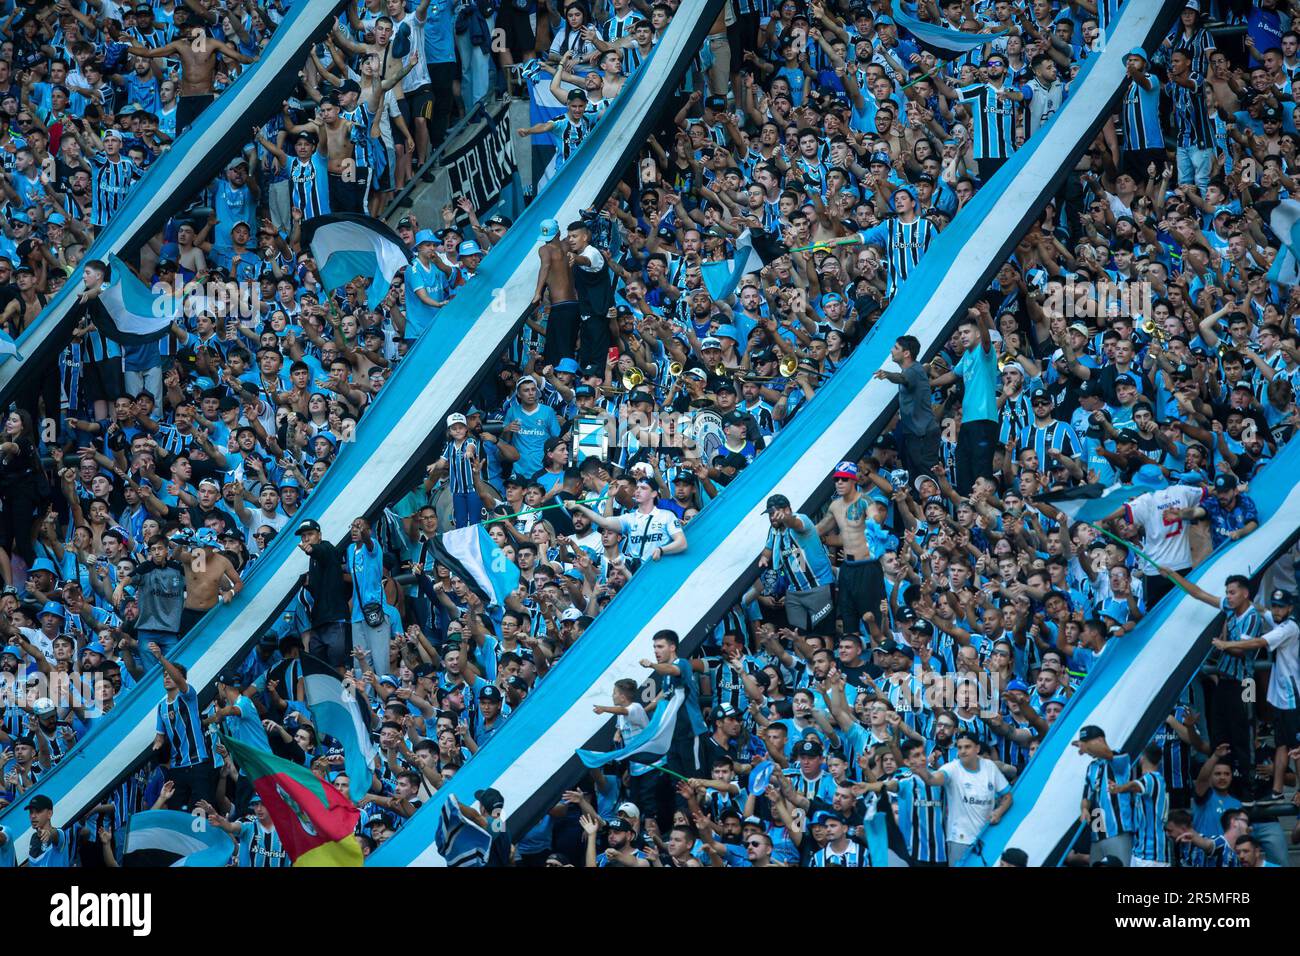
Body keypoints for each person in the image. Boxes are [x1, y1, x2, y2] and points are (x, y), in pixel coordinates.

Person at [1160, 568, 1261, 797]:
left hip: (1245, 683)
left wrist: (1223, 644)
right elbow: (1199, 594)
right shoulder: (1230, 608)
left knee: (1244, 732)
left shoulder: (1252, 617)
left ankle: (1248, 785)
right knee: (1220, 733)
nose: (1229, 596)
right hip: (1226, 680)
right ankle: (1226, 781)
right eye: (1227, 592)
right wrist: (1172, 576)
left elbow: (1241, 651)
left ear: (1245, 594)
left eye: (1233, 592)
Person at [910, 731, 1012, 864]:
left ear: (977, 748)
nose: (963, 751)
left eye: (967, 747)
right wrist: (922, 772)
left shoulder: (990, 767)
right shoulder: (952, 768)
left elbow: (1007, 796)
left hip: (988, 836)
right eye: (959, 747)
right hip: (959, 840)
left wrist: (999, 812)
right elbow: (933, 779)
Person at [930, 305, 998, 494]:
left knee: (981, 471)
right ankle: (967, 510)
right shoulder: (967, 356)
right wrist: (930, 384)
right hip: (968, 421)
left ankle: (983, 511)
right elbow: (952, 375)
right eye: (960, 334)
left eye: (967, 332)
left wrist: (981, 318)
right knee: (963, 468)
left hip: (984, 419)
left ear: (977, 334)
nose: (963, 337)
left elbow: (986, 340)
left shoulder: (985, 352)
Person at [149, 641, 214, 811]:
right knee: (178, 812)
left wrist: (161, 658)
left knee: (199, 812)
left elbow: (178, 679)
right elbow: (159, 738)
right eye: (164, 675)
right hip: (177, 767)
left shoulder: (188, 696)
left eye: (170, 674)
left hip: (197, 763)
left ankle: (199, 837)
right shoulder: (161, 706)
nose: (167, 677)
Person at [759, 493, 834, 636]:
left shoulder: (801, 519)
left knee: (823, 634)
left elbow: (795, 524)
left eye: (775, 513)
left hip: (818, 586)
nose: (772, 517)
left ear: (787, 509)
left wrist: (786, 518)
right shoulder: (774, 530)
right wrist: (764, 557)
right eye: (769, 514)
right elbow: (768, 548)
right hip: (794, 593)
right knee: (798, 636)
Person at [874, 335, 940, 476]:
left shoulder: (913, 371)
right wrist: (927, 368)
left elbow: (902, 378)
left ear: (906, 353)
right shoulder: (917, 369)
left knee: (927, 477)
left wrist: (887, 374)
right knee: (917, 477)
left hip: (922, 435)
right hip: (916, 434)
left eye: (896, 347)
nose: (892, 350)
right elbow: (923, 368)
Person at [1074, 724, 1135, 865]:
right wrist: (1084, 809)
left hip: (1118, 831)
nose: (1085, 749)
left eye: (1088, 742)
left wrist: (1085, 745)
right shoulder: (1091, 767)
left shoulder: (1120, 756)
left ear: (1100, 740)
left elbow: (1107, 754)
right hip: (1097, 832)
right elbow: (1086, 796)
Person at [294, 519, 350, 669]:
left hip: (335, 620)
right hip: (319, 623)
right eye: (303, 536)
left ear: (319, 535)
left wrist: (312, 550)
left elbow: (323, 552)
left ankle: (347, 693)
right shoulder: (312, 561)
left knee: (340, 667)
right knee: (320, 669)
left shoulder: (327, 548)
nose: (306, 539)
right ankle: (328, 694)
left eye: (310, 534)